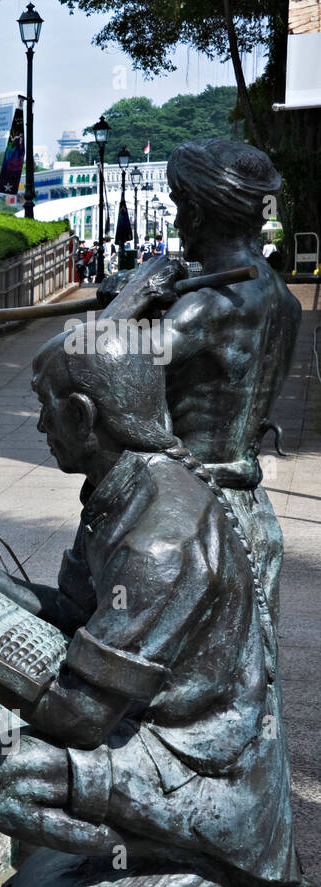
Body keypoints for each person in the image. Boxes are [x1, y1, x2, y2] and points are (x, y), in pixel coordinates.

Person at [0, 330, 300, 887]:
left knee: (2, 780)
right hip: (150, 723)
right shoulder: (117, 488)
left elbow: (79, 718)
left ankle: (178, 859)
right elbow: (73, 609)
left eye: (45, 409)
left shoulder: (159, 542)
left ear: (81, 414)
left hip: (198, 763)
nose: (40, 426)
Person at [87, 140, 301, 625]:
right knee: (244, 669)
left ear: (199, 215)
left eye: (182, 209)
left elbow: (95, 361)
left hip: (186, 515)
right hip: (248, 508)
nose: (180, 223)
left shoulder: (208, 305)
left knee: (151, 675)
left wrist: (131, 297)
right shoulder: (282, 299)